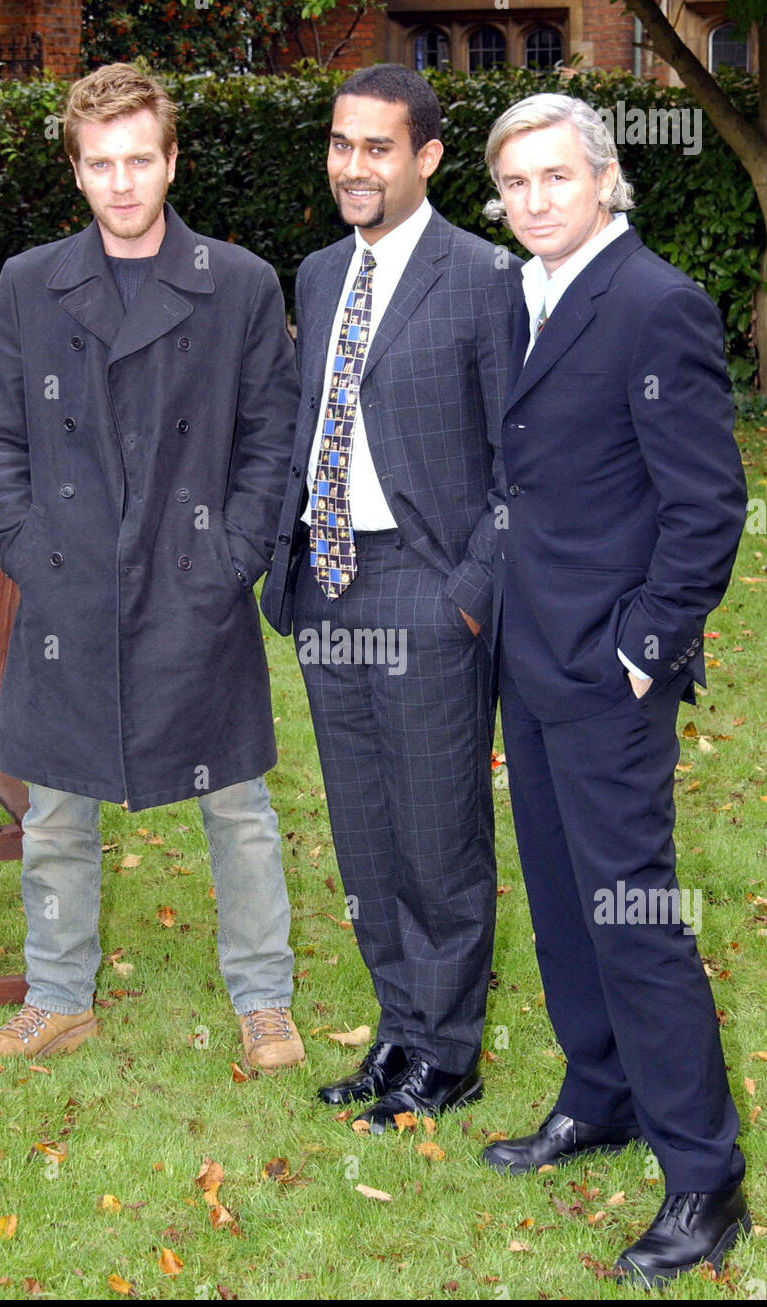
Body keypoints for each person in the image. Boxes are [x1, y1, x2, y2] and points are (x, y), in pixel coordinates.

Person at [0, 63, 304, 1075]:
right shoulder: (29, 283)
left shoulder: (238, 284)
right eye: (101, 163)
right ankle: (59, 996)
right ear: (76, 170)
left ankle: (264, 999)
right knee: (57, 809)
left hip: (189, 580)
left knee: (237, 804)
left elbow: (269, 441)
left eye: (140, 161)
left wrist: (231, 555)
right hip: (69, 585)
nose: (122, 182)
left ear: (171, 161)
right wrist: (31, 549)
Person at [476, 93, 749, 1285]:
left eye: (554, 179)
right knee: (560, 900)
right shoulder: (523, 295)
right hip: (528, 662)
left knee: (635, 915)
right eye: (515, 183)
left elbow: (707, 504)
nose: (534, 201)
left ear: (604, 181)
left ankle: (705, 1178)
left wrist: (642, 645)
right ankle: (600, 1097)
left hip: (608, 672)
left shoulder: (653, 303)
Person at [262, 64, 519, 1133]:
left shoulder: (483, 276)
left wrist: (466, 592)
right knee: (367, 834)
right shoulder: (319, 273)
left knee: (436, 832)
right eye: (338, 143)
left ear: (426, 159)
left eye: (376, 147)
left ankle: (448, 1055)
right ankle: (400, 1029)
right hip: (329, 584)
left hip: (426, 585)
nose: (352, 166)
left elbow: (524, 462)